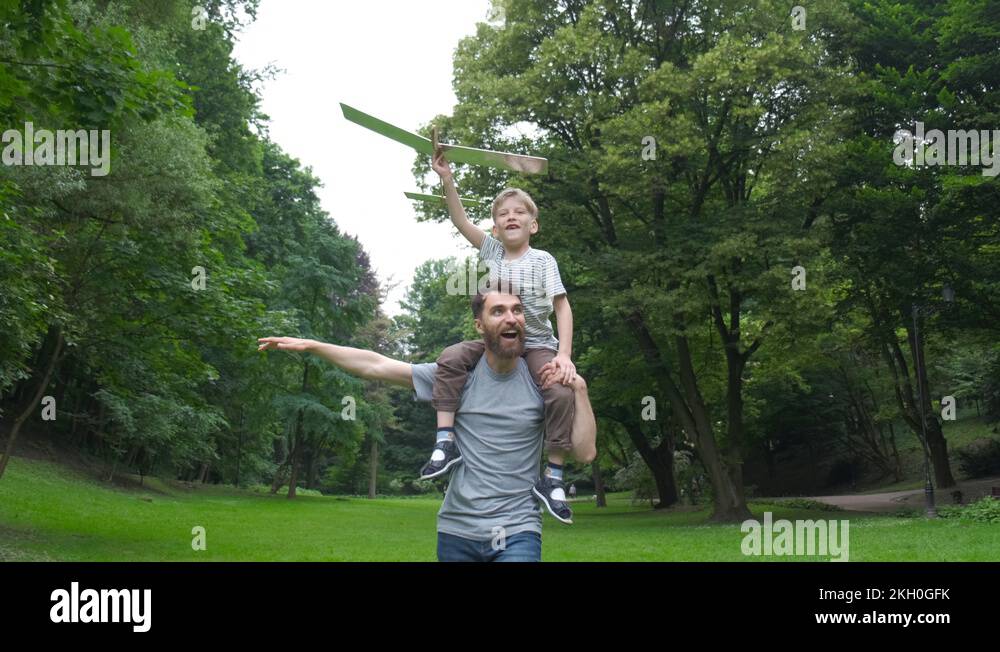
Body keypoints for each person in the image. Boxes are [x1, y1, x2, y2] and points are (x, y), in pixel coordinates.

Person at [258, 287, 597, 562]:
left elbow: (584, 452)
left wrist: (579, 389)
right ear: (479, 325)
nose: (511, 318)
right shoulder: (457, 376)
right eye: (499, 311)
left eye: (517, 310)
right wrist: (314, 346)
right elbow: (376, 366)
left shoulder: (544, 382)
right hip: (456, 530)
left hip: (519, 530)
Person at [420, 138, 578, 526]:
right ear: (495, 226)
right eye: (503, 213)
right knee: (451, 358)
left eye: (519, 212)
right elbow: (459, 220)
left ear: (532, 224)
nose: (511, 216)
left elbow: (562, 305)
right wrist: (447, 179)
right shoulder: (490, 251)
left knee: (559, 392)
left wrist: (564, 355)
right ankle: (445, 441)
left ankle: (553, 477)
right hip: (498, 341)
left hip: (537, 344)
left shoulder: (543, 260)